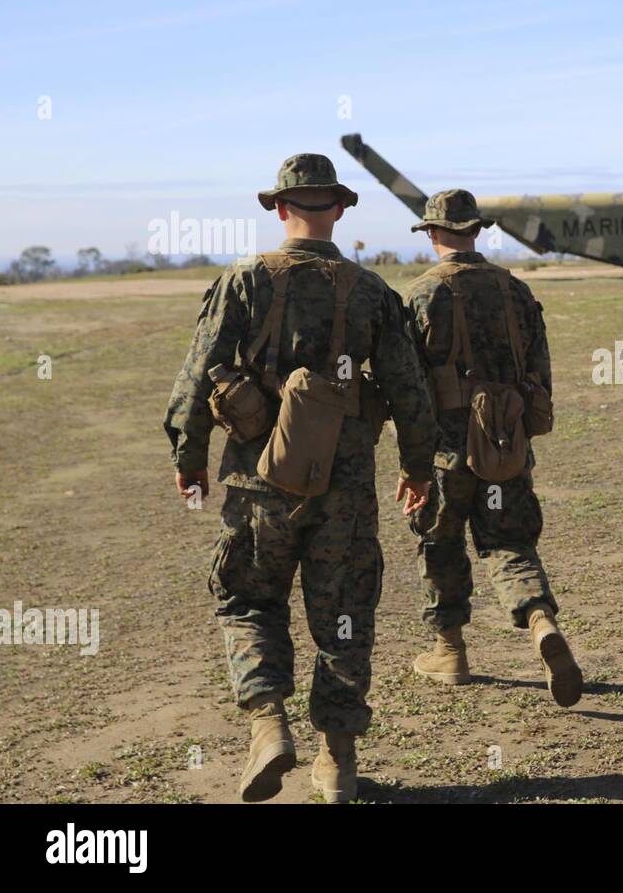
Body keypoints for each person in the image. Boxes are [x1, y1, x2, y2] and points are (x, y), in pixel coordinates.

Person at [164, 153, 437, 802]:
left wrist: (190, 457)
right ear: (338, 209)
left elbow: (197, 373)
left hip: (260, 484)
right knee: (344, 615)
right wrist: (418, 466)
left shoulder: (246, 279)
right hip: (343, 487)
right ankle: (337, 762)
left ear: (281, 209)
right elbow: (410, 391)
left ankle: (268, 724)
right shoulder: (371, 291)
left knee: (248, 600)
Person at [403, 189, 583, 708]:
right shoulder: (516, 290)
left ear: (434, 233)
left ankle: (450, 651)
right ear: (475, 230)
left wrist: (412, 461)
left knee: (440, 544)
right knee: (509, 543)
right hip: (504, 442)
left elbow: (407, 387)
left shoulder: (420, 294)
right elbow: (540, 371)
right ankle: (538, 619)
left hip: (444, 450)